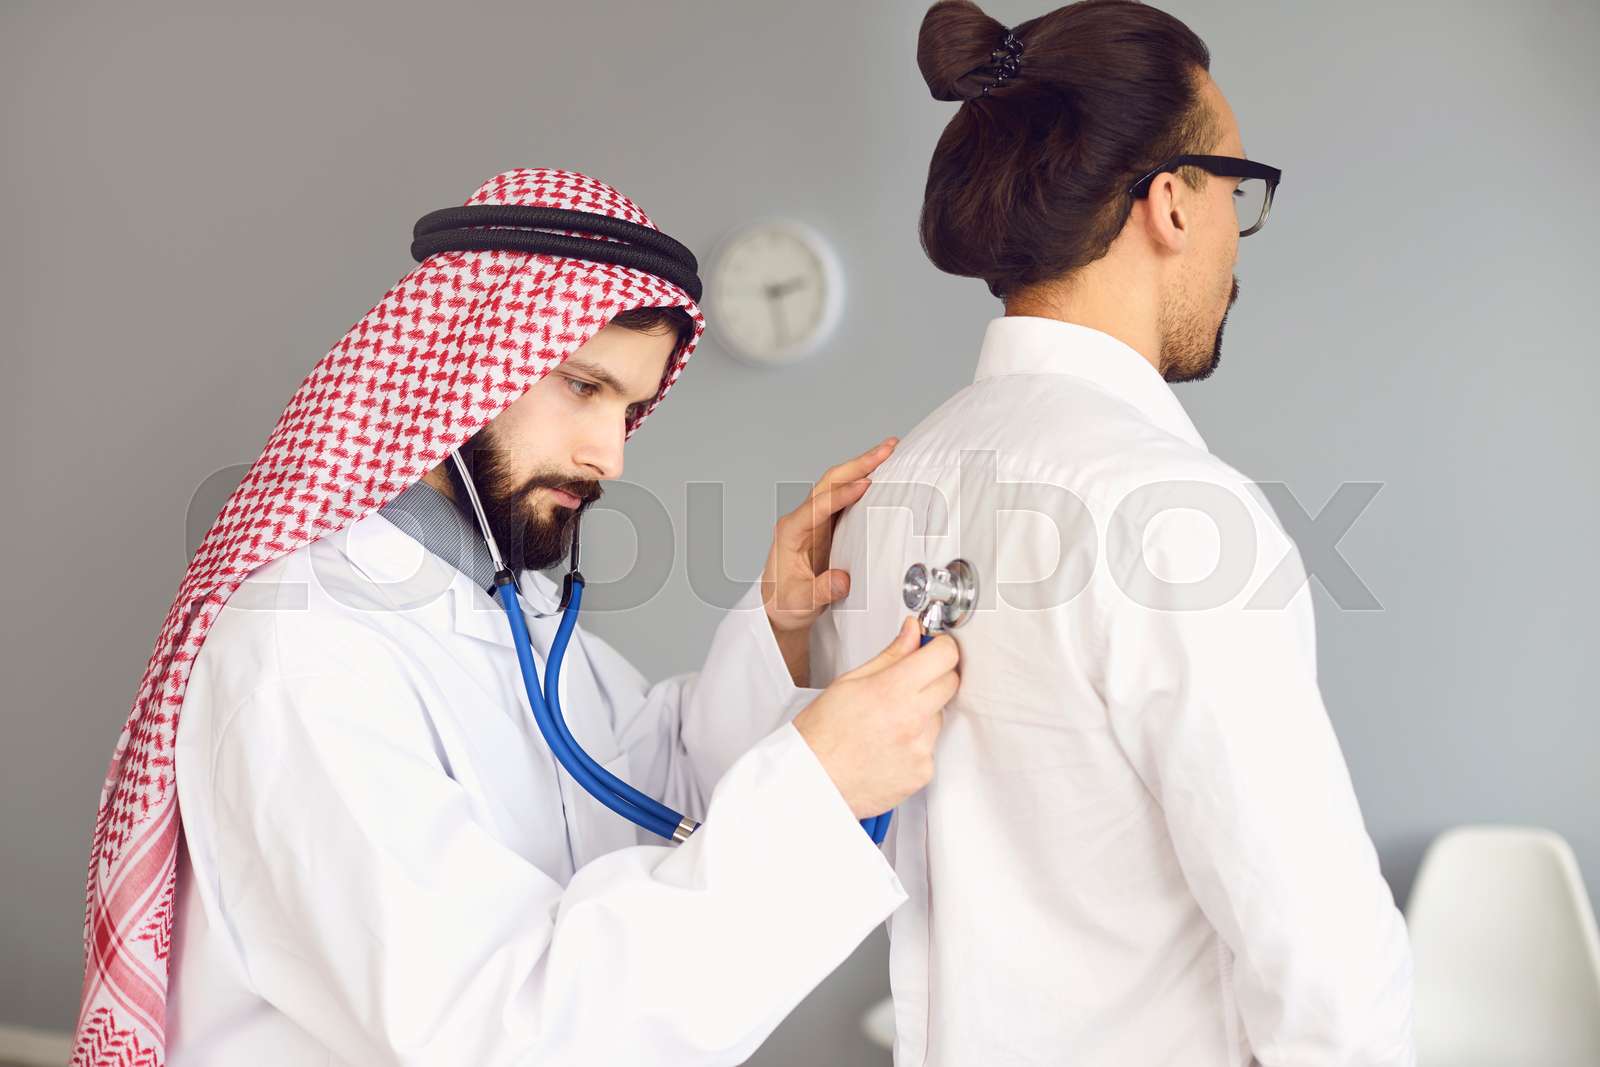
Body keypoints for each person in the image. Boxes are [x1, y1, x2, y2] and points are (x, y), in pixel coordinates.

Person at [72, 167, 959, 1067]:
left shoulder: (510, 608)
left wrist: (780, 623)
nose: (609, 454)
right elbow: (507, 1032)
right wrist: (817, 792)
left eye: (632, 408)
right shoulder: (300, 655)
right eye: (583, 387)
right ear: (456, 359)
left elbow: (656, 798)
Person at [812, 2, 1415, 1064]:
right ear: (1170, 203)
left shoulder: (888, 494)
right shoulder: (1174, 513)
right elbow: (1317, 950)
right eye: (1236, 189)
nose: (1238, 231)